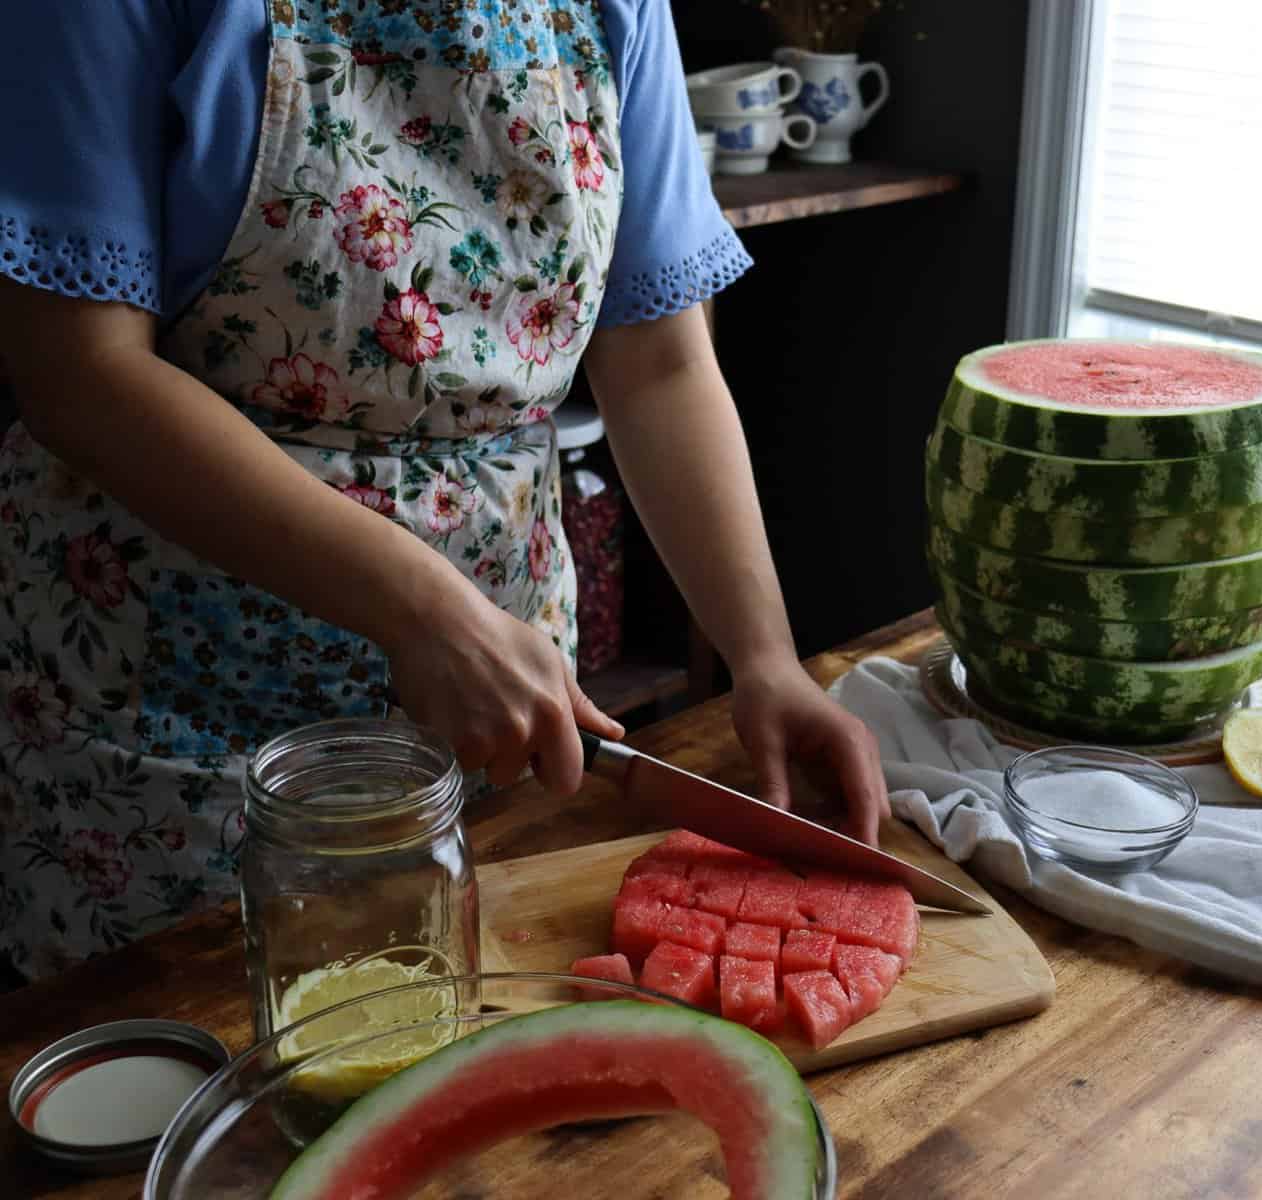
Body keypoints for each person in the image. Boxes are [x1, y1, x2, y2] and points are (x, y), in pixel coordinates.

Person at [0, 1, 885, 981]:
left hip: (498, 717)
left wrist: (763, 657)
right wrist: (419, 611)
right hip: (179, 718)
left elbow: (661, 364)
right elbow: (76, 372)